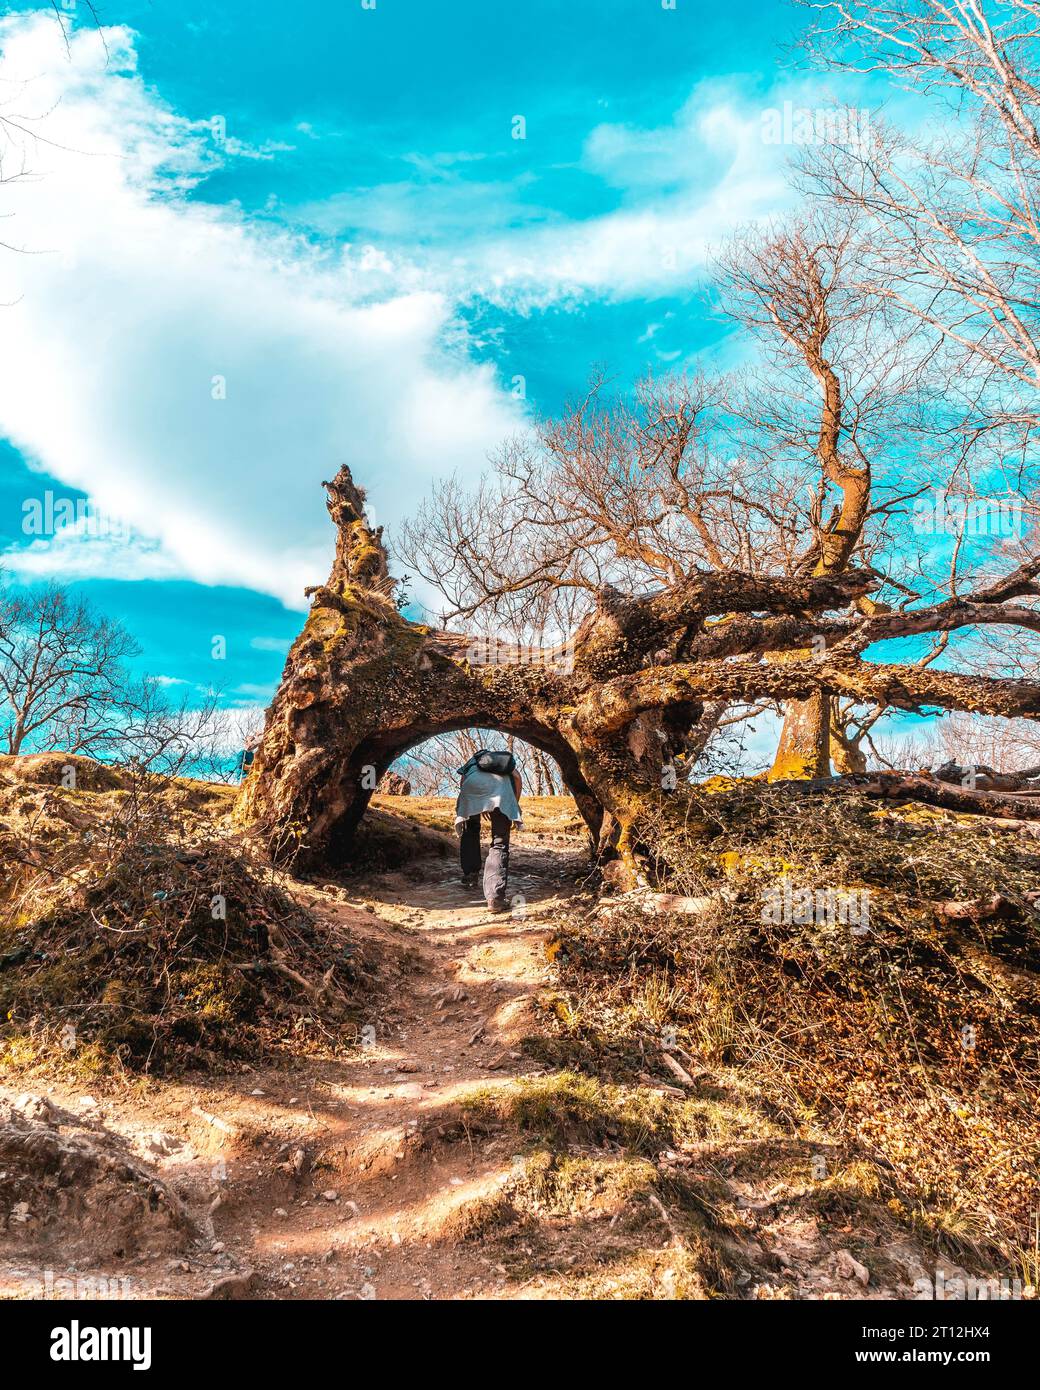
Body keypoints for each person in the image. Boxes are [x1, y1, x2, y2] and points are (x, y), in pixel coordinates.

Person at [454, 748, 523, 913]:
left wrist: (480, 803)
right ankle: (495, 898)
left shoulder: (473, 760)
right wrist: (513, 804)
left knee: (470, 830)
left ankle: (470, 875)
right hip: (502, 792)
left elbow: (463, 781)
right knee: (499, 842)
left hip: (472, 789)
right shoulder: (505, 763)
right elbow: (517, 777)